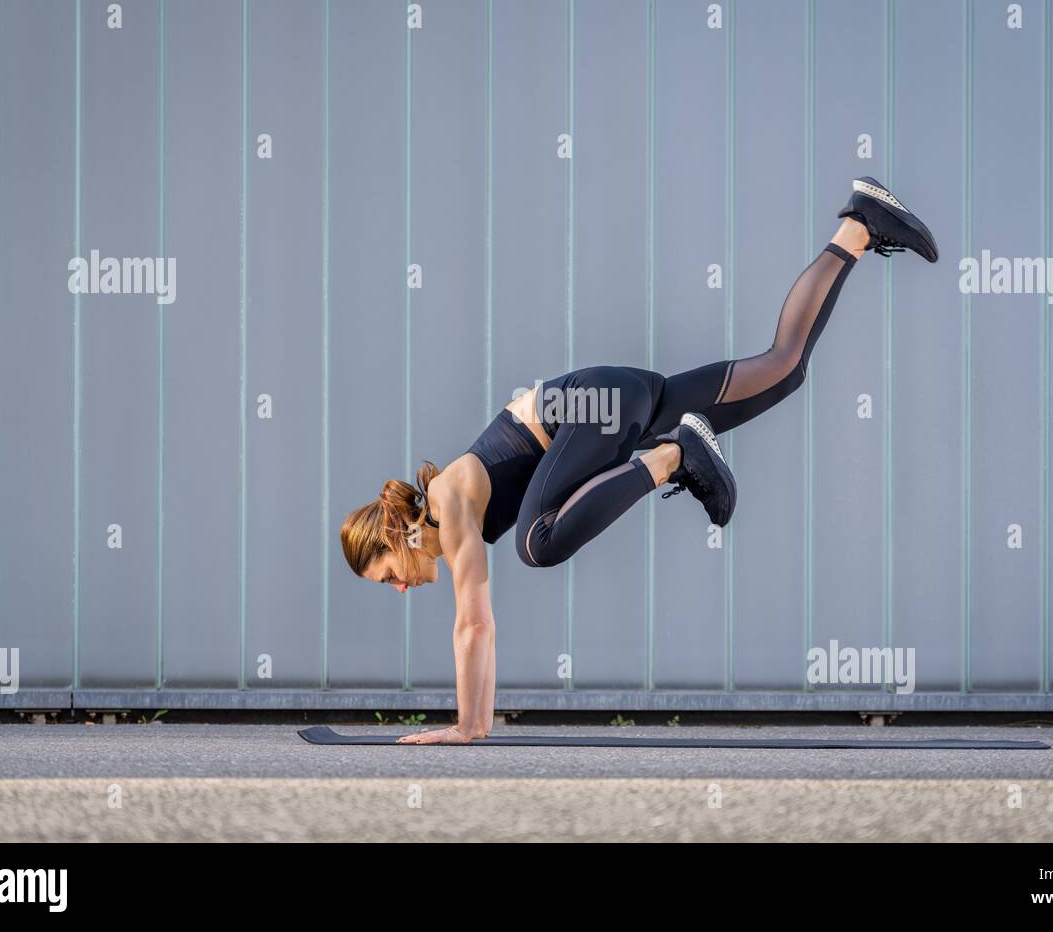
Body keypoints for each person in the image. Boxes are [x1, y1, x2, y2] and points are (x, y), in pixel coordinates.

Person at [340, 177, 938, 744]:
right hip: (609, 402)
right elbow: (479, 627)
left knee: (536, 543)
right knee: (783, 368)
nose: (399, 587)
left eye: (388, 573)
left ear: (398, 531)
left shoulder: (448, 500)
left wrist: (467, 726)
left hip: (595, 407)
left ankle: (678, 455)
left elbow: (474, 623)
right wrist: (478, 726)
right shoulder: (450, 508)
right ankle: (859, 226)